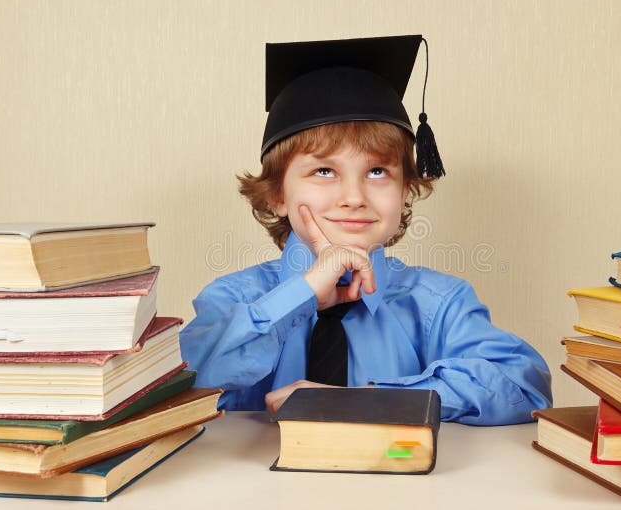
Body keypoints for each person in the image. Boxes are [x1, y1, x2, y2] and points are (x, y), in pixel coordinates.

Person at [179, 35, 552, 425]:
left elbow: (525, 386)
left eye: (377, 172)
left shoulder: (437, 304)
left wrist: (367, 401)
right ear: (276, 195)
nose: (354, 197)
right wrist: (302, 295)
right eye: (324, 171)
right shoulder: (235, 299)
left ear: (405, 189)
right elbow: (182, 384)